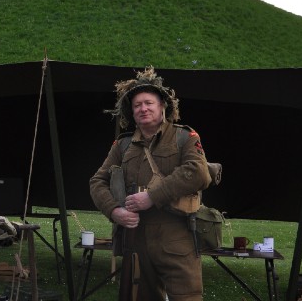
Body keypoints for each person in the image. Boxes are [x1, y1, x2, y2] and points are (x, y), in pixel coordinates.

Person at [89, 67, 212, 301]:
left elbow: (199, 173)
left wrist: (152, 197)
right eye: (137, 105)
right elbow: (97, 181)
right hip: (137, 239)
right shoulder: (122, 145)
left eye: (149, 103)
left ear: (162, 106)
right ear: (132, 112)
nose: (143, 109)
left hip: (177, 237)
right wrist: (115, 211)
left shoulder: (184, 137)